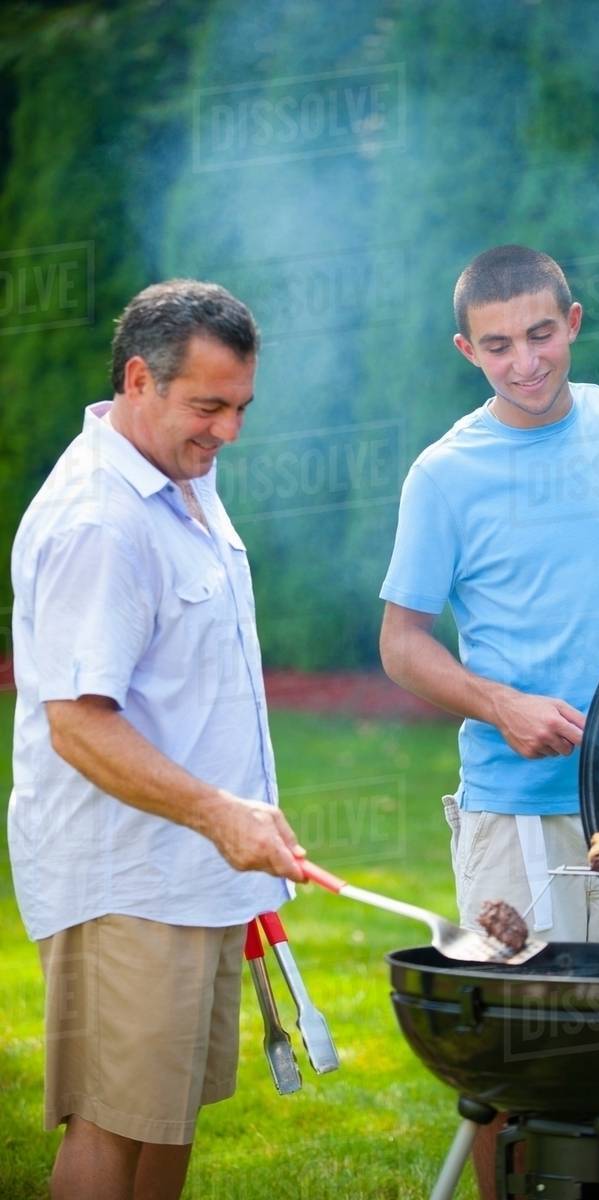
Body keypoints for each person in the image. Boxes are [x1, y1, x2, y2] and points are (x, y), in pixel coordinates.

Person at [378, 245, 599, 1200]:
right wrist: (502, 704)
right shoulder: (443, 474)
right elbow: (402, 644)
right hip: (516, 810)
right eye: (498, 346)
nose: (525, 362)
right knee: (511, 1065)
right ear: (467, 349)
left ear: (572, 322)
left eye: (541, 334)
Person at [9, 280, 307, 1200]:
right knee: (112, 1122)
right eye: (209, 406)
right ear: (139, 379)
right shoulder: (99, 520)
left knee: (167, 1117)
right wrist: (219, 813)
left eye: (241, 407)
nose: (229, 432)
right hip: (126, 877)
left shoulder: (180, 473)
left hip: (193, 871)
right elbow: (77, 725)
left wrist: (231, 822)